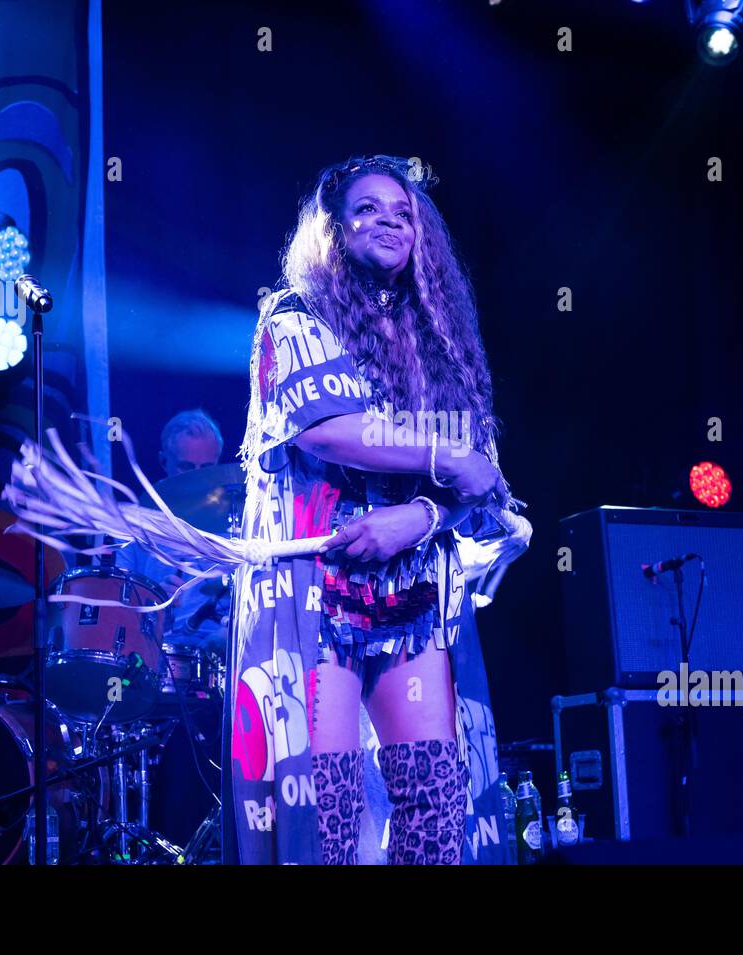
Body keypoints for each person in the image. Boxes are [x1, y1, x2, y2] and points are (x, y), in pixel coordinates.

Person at [230, 154, 518, 865]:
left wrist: (418, 517)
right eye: (367, 208)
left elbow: (487, 484)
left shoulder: (441, 344)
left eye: (403, 212)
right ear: (331, 231)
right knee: (325, 812)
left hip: (412, 593)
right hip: (317, 592)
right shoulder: (293, 317)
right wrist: (442, 460)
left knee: (435, 800)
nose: (389, 221)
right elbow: (330, 427)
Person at [116, 408, 228, 651]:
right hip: (151, 651)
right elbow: (117, 607)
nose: (197, 479)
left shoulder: (235, 523)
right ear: (164, 461)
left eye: (207, 468)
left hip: (218, 655)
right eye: (186, 468)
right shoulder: (134, 525)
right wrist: (151, 601)